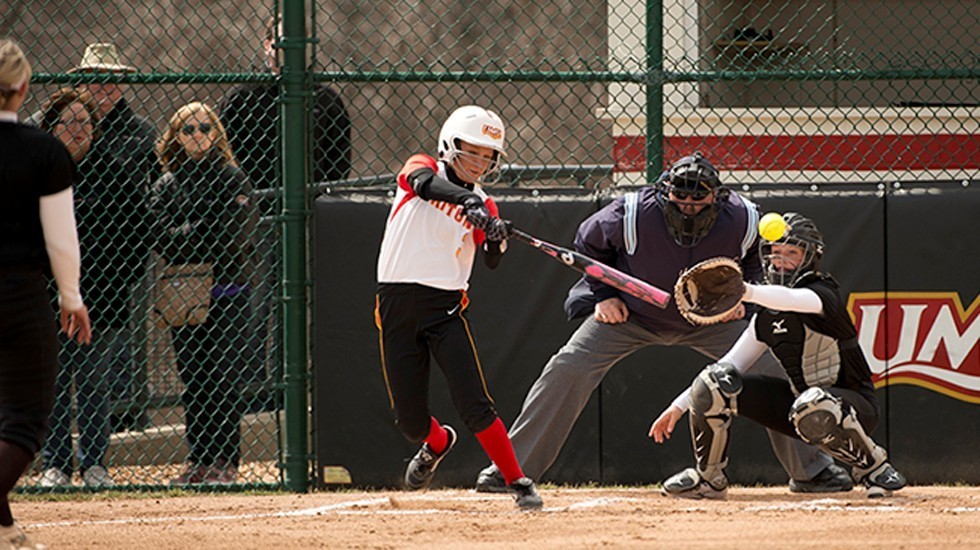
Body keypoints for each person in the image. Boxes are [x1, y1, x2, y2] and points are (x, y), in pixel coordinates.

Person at [475, 153, 852, 494]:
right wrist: (603, 296)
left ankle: (812, 471)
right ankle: (514, 469)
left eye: (698, 197)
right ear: (665, 192)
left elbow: (752, 256)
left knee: (777, 368)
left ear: (716, 197)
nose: (688, 205)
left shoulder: (743, 217)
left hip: (711, 318)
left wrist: (744, 296)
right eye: (680, 197)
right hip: (632, 314)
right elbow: (587, 246)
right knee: (567, 367)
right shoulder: (632, 211)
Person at [651, 213, 907, 499]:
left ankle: (875, 469)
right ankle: (709, 479)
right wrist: (679, 405)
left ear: (809, 257)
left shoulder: (822, 294)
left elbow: (794, 300)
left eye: (791, 252)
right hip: (799, 410)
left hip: (854, 408)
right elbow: (730, 362)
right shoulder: (764, 318)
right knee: (711, 382)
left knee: (814, 403)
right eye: (775, 252)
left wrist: (746, 292)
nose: (780, 259)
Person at [375, 105, 542, 510]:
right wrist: (470, 204)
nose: (481, 162)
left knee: (474, 401)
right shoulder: (423, 168)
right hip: (396, 303)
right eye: (473, 151)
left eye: (488, 156)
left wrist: (495, 234)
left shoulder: (485, 204)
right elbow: (423, 183)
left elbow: (491, 259)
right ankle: (437, 442)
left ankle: (516, 480)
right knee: (411, 423)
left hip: (445, 309)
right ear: (451, 145)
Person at [0, 38, 92, 549]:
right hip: (17, 292)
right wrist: (71, 296)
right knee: (24, 424)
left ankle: (7, 529)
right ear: (23, 89)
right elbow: (60, 238)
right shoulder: (43, 150)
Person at [37, 87, 141, 488]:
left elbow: (136, 237)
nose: (77, 129)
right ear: (51, 127)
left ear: (96, 131)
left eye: (85, 122)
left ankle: (95, 463)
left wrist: (108, 287)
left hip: (103, 302)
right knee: (56, 384)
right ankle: (56, 465)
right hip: (48, 302)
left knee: (97, 384)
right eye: (68, 121)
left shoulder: (115, 174)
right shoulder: (38, 174)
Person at [150, 102, 257, 485]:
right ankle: (198, 459)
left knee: (223, 377)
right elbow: (162, 239)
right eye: (188, 129)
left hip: (229, 292)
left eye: (204, 128)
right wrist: (207, 223)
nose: (197, 135)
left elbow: (234, 236)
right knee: (194, 378)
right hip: (186, 297)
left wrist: (190, 230)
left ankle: (225, 462)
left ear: (216, 133)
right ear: (176, 137)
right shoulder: (167, 183)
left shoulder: (232, 177)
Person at [218, 15, 351, 188]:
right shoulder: (240, 97)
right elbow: (223, 152)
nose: (288, 48)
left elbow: (339, 159)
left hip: (311, 204)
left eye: (297, 41)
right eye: (282, 41)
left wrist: (321, 198)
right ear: (267, 45)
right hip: (254, 203)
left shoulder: (326, 99)